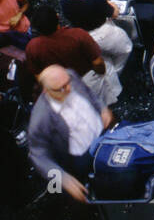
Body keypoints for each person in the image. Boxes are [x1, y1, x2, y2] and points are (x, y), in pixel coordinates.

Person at [26, 65, 113, 205]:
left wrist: (102, 108)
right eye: (61, 88)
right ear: (46, 91)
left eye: (68, 83)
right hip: (83, 157)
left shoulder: (70, 76)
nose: (69, 89)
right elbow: (38, 155)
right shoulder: (40, 118)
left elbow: (89, 93)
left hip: (103, 134)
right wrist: (62, 178)